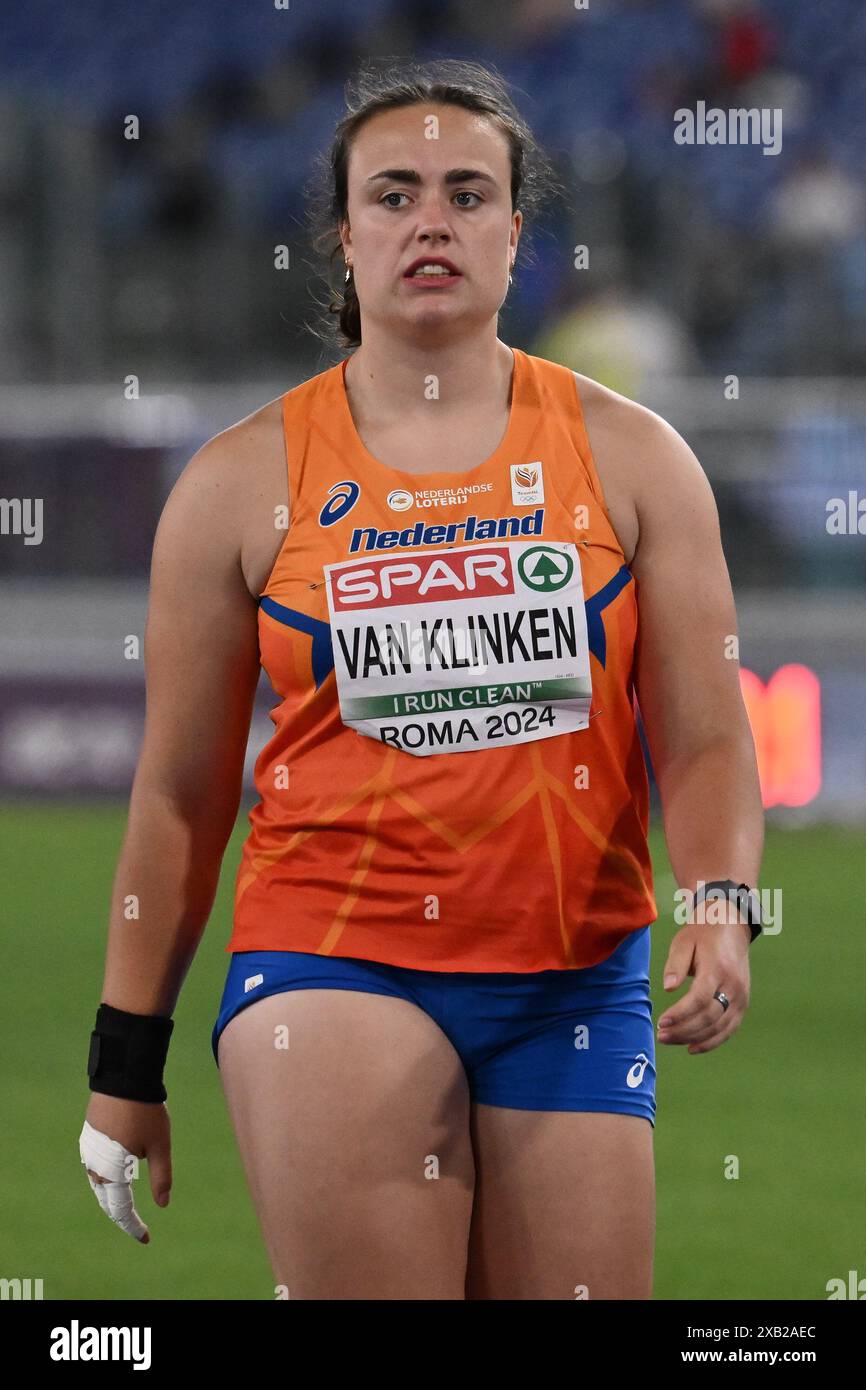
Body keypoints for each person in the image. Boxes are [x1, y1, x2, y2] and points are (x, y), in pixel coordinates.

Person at [80, 59, 764, 1301]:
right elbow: (180, 795)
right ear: (343, 239)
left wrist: (722, 898)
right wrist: (124, 1063)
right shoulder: (238, 486)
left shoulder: (634, 458)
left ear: (517, 231)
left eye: (467, 193)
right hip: (333, 962)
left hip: (576, 972)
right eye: (393, 195)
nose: (431, 221)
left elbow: (707, 736)